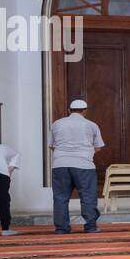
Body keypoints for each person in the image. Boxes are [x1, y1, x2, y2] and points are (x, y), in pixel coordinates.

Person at [49, 98, 104, 234]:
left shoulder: (57, 124)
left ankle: (61, 228)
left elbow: (51, 145)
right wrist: (86, 152)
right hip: (84, 165)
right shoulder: (91, 125)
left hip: (60, 164)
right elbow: (98, 147)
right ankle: (90, 226)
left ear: (69, 110)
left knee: (61, 197)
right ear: (85, 111)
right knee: (88, 196)